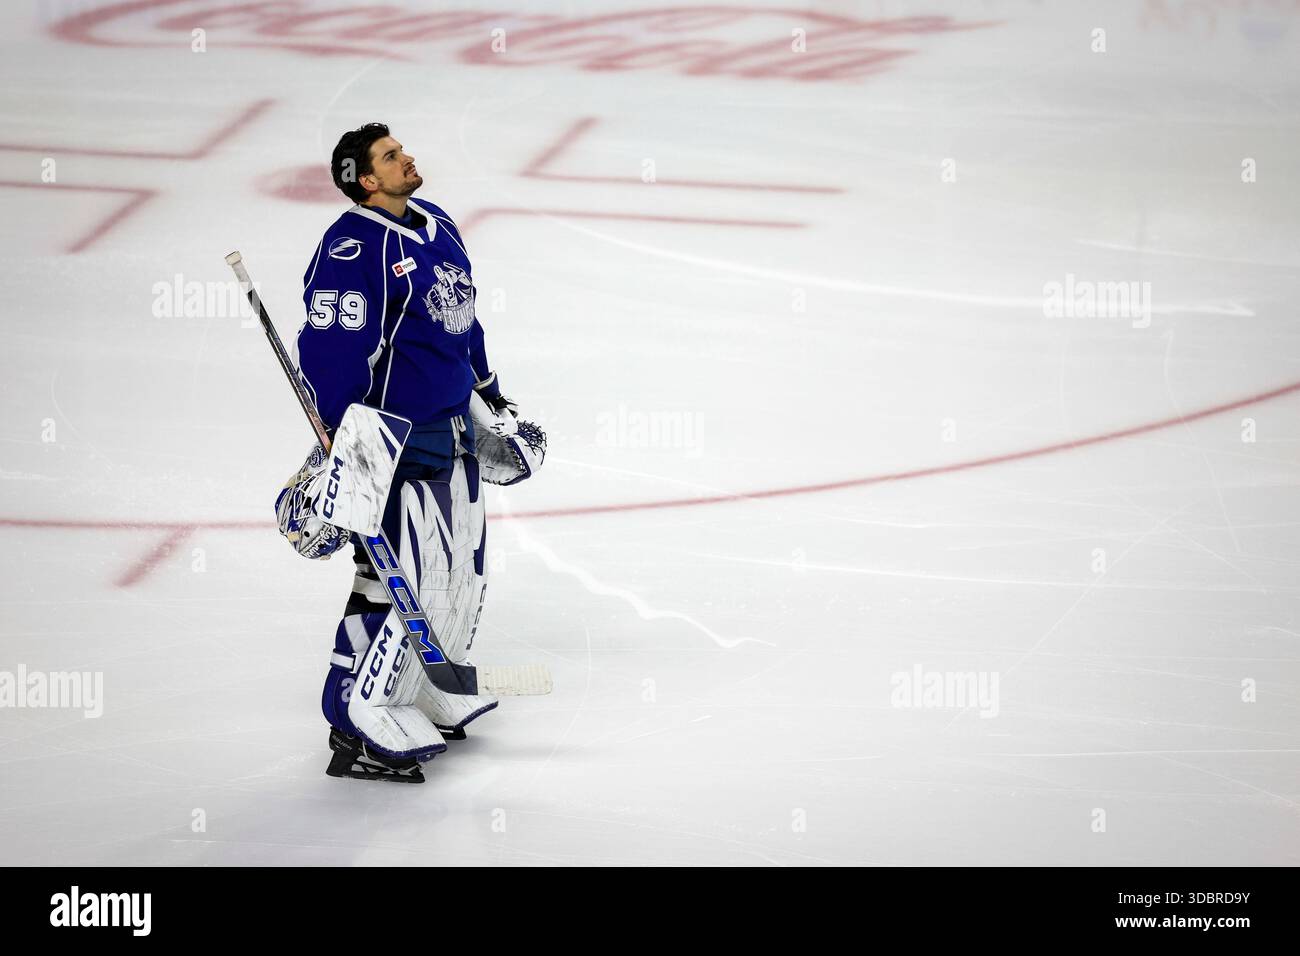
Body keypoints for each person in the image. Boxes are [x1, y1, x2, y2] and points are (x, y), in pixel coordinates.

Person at [279, 122, 529, 782]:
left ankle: (423, 685)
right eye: (392, 156)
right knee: (395, 576)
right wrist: (344, 446)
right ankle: (358, 709)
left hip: (450, 427)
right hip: (389, 437)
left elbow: (463, 322)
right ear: (366, 180)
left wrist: (493, 399)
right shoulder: (350, 246)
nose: (407, 157)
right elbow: (332, 355)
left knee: (456, 575)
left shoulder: (438, 224)